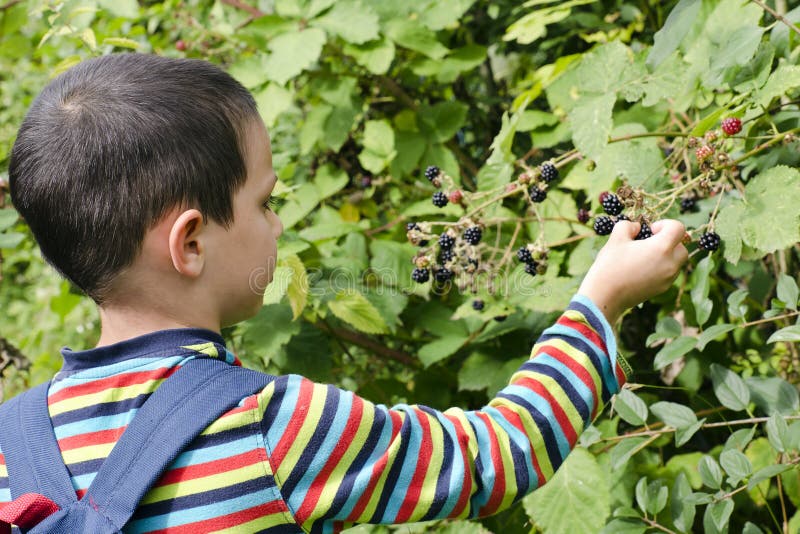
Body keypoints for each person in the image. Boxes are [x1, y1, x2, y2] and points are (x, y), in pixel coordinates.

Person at [0, 53, 688, 533]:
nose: (277, 224)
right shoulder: (270, 427)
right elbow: (495, 455)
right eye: (265, 203)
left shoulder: (9, 448)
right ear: (190, 243)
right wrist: (600, 304)